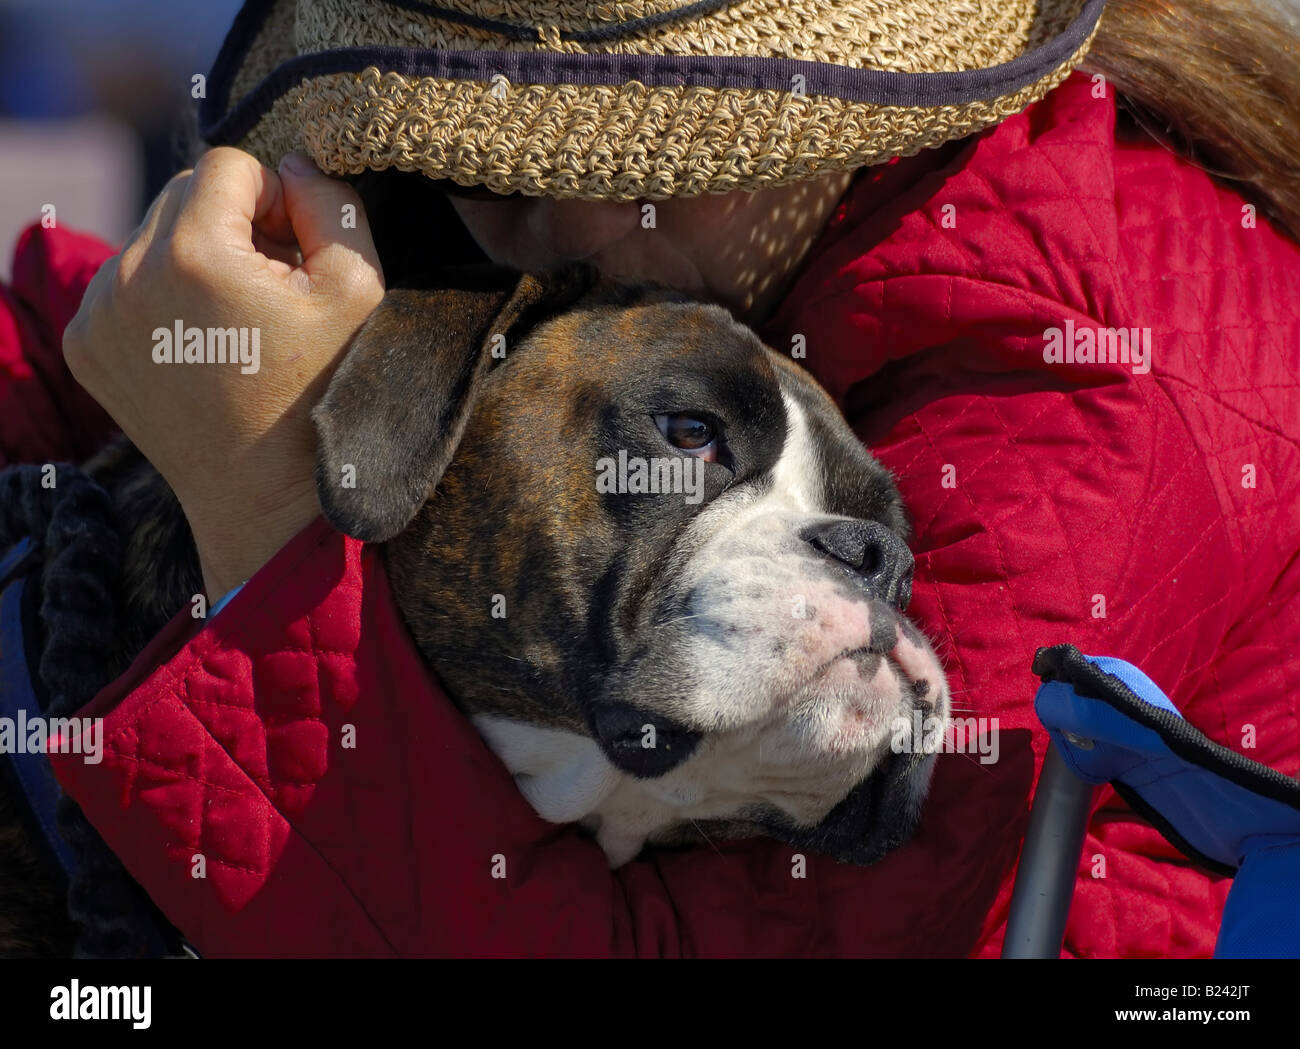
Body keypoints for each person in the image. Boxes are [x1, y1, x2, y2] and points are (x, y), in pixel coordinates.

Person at [4, 0, 1299, 957]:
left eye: (658, 167)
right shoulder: (731, 252)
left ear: (846, 105)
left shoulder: (1082, 405)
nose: (580, 238)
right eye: (503, 177)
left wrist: (262, 514)